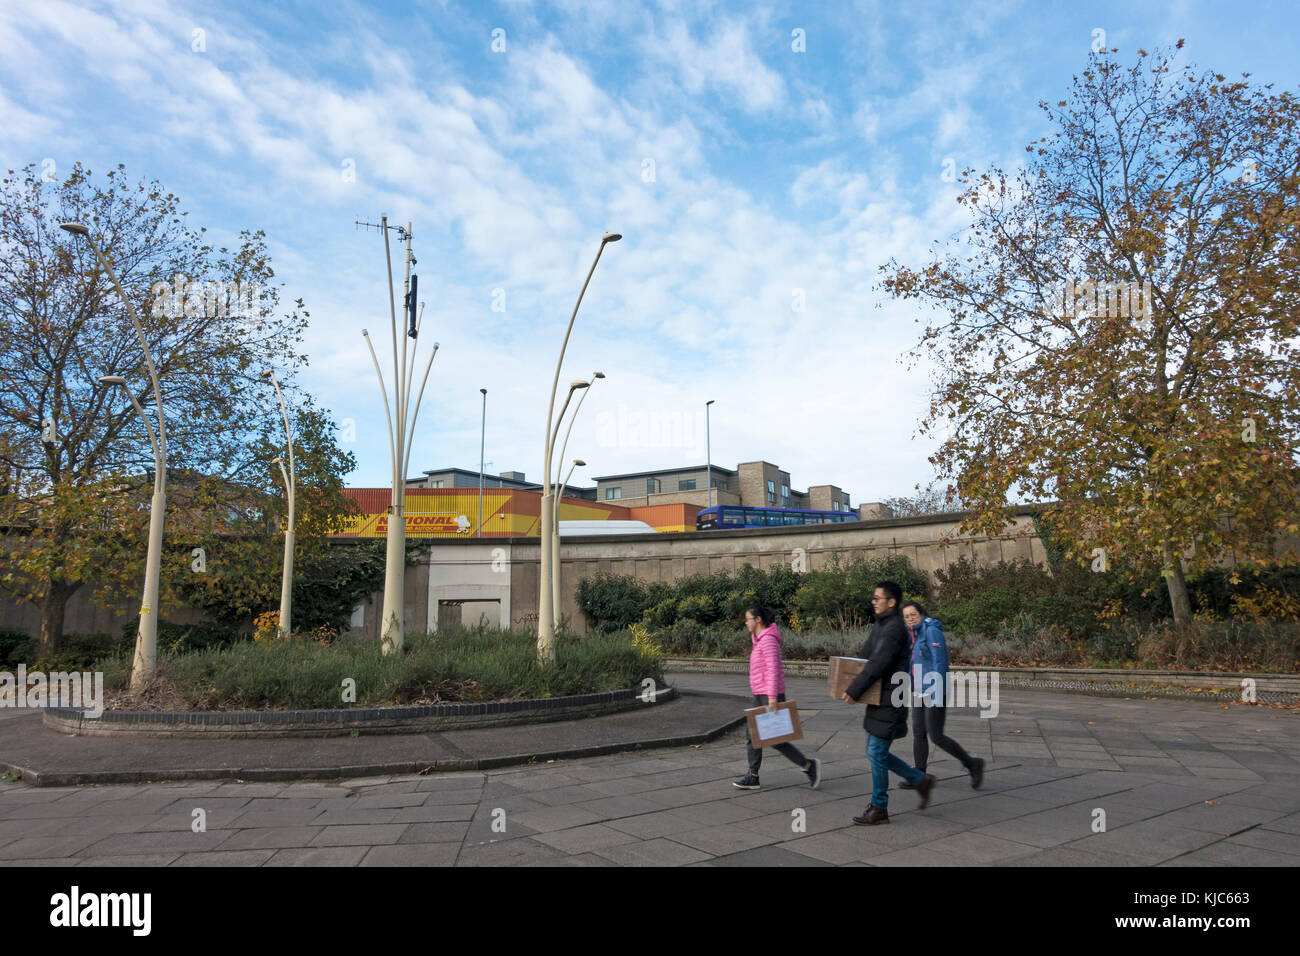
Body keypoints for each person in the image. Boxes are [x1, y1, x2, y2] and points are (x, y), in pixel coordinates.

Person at [841, 581, 934, 824]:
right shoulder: (881, 625)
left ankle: (879, 807)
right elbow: (866, 657)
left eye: (878, 598)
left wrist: (854, 689)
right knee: (876, 752)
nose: (874, 601)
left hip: (892, 697)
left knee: (876, 750)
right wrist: (847, 675)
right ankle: (919, 780)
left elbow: (879, 663)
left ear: (891, 602)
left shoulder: (894, 629)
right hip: (880, 697)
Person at [734, 604, 821, 791]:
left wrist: (772, 698)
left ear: (758, 620)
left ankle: (808, 766)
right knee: (753, 736)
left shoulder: (768, 641)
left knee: (774, 738)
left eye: (748, 618)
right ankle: (753, 775)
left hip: (769, 695)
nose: (746, 622)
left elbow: (773, 670)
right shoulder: (758, 640)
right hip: (760, 694)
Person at [900, 600, 985, 789]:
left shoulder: (931, 631)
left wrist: (937, 693)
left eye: (913, 615)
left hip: (934, 689)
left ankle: (973, 764)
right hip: (919, 691)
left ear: (921, 614)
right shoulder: (912, 635)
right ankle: (919, 776)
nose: (910, 619)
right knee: (918, 733)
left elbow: (940, 663)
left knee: (936, 735)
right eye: (906, 617)